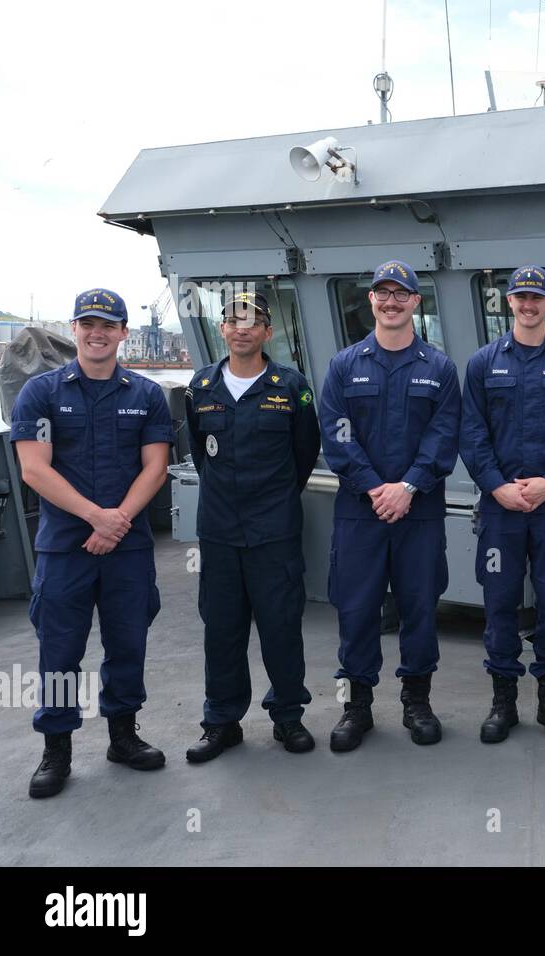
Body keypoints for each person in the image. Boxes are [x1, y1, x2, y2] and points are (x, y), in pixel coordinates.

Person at [12, 289, 174, 798]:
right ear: (74, 328)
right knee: (59, 649)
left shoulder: (145, 395)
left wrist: (118, 521)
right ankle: (55, 747)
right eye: (87, 323)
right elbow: (34, 467)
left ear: (124, 333)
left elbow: (155, 466)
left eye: (107, 324)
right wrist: (95, 518)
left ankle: (122, 736)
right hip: (65, 546)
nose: (96, 332)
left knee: (128, 641)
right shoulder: (39, 393)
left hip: (126, 546)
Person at [320, 261, 461, 752]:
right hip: (361, 512)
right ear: (372, 300)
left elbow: (444, 437)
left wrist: (409, 487)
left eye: (401, 294)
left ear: (416, 303)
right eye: (383, 293)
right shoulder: (345, 365)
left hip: (417, 512)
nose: (391, 301)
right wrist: (376, 488)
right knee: (356, 610)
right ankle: (356, 707)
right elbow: (337, 436)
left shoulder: (438, 369)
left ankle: (416, 702)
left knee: (419, 607)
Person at [460, 266, 545, 742]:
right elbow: (472, 433)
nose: (528, 303)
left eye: (537, 296)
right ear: (509, 301)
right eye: (520, 296)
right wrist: (496, 486)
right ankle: (503, 702)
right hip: (500, 510)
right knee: (499, 603)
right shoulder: (482, 363)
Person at [183, 290, 321, 762]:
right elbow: (203, 457)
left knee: (281, 627)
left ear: (266, 332)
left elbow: (304, 455)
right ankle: (221, 722)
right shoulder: (200, 388)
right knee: (221, 629)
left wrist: (273, 501)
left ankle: (288, 717)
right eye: (232, 320)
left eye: (253, 321)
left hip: (274, 532)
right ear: (223, 329)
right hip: (219, 533)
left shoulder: (291, 386)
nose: (242, 328)